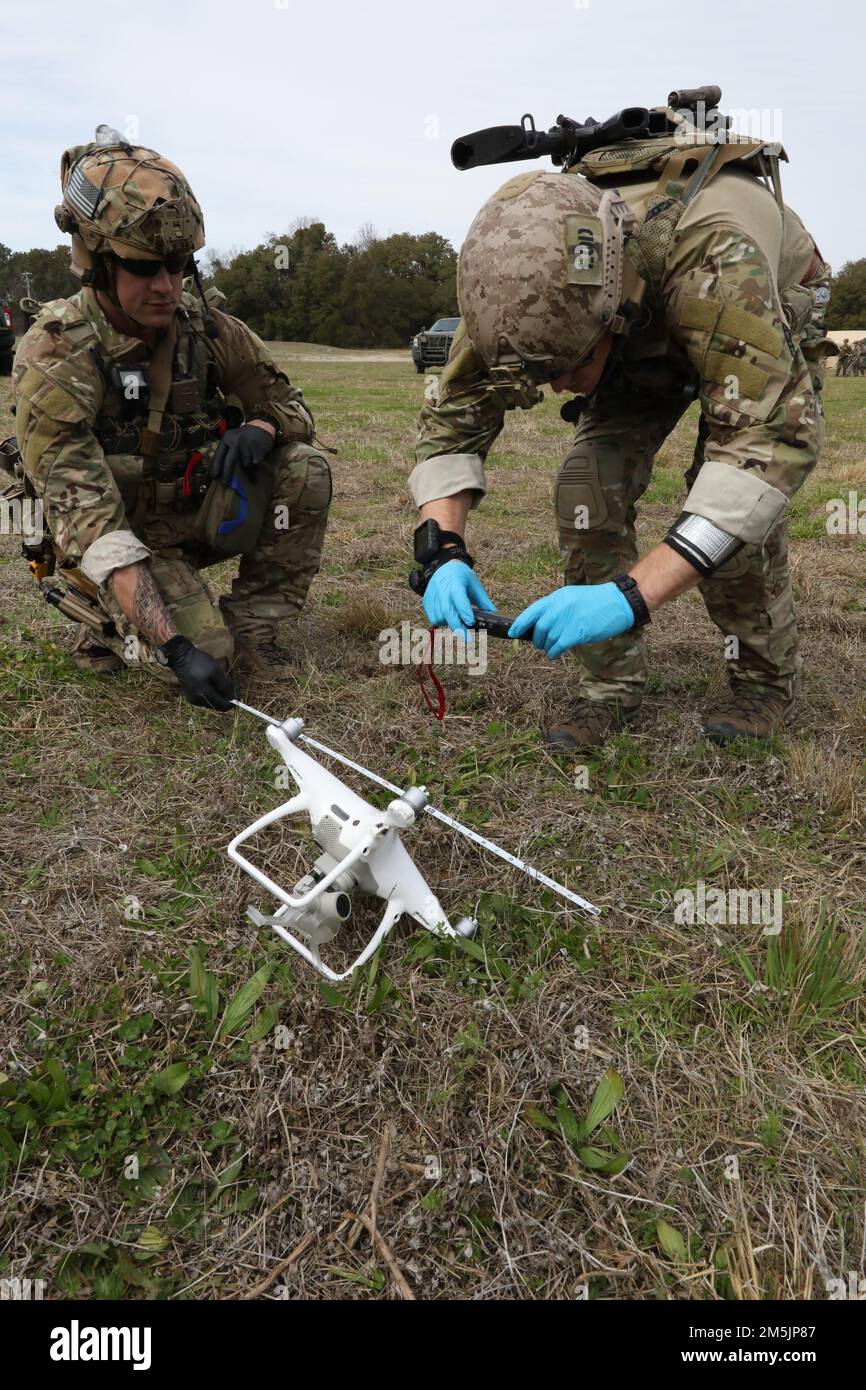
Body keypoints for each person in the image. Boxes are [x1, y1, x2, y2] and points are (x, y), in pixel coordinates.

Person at [408, 106, 833, 746]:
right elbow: (452, 420)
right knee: (586, 483)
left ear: (609, 309)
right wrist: (441, 548)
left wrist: (629, 596)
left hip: (756, 305)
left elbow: (765, 446)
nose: (555, 389)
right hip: (639, 335)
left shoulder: (714, 255)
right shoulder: (523, 288)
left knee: (729, 500)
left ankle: (763, 679)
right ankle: (610, 685)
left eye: (568, 367)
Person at [12, 126, 331, 709]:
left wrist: (261, 429)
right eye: (145, 268)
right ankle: (109, 623)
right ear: (98, 264)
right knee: (202, 652)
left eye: (180, 266)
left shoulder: (205, 326)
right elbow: (96, 530)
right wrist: (176, 649)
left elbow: (292, 408)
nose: (166, 286)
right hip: (119, 539)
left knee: (303, 467)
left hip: (195, 515)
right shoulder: (57, 358)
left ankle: (255, 624)